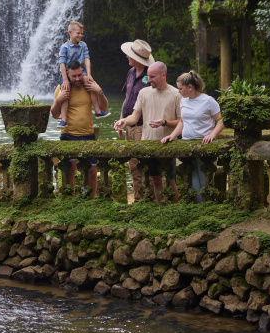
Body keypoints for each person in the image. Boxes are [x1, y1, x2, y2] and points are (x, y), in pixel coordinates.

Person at [114, 61, 180, 202]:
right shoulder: (144, 93)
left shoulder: (176, 94)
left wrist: (165, 122)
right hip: (148, 143)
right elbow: (134, 116)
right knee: (155, 179)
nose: (149, 80)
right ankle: (158, 207)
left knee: (170, 180)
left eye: (152, 77)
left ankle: (175, 208)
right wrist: (124, 121)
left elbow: (181, 122)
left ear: (163, 75)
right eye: (148, 76)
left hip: (167, 143)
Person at [161, 70, 225, 202]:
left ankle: (206, 206)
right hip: (187, 144)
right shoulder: (183, 101)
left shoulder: (208, 101)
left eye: (180, 88)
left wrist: (212, 134)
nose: (178, 91)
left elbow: (221, 120)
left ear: (190, 87)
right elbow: (182, 122)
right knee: (192, 178)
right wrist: (172, 136)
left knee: (204, 178)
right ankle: (196, 206)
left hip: (204, 145)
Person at [52, 60, 109, 198]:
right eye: (74, 76)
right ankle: (70, 200)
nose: (78, 79)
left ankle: (91, 199)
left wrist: (99, 91)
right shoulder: (62, 87)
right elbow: (54, 115)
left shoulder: (89, 84)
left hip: (88, 134)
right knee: (70, 170)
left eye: (79, 75)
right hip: (68, 135)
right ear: (67, 74)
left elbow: (104, 108)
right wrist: (58, 100)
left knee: (92, 170)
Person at [56, 20, 109, 127]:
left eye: (81, 33)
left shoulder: (83, 45)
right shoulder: (65, 47)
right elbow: (62, 63)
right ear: (70, 32)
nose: (80, 35)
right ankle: (64, 120)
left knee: (90, 83)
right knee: (65, 92)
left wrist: (89, 74)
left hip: (81, 72)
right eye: (78, 33)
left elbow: (87, 59)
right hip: (67, 73)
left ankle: (98, 111)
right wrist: (65, 79)